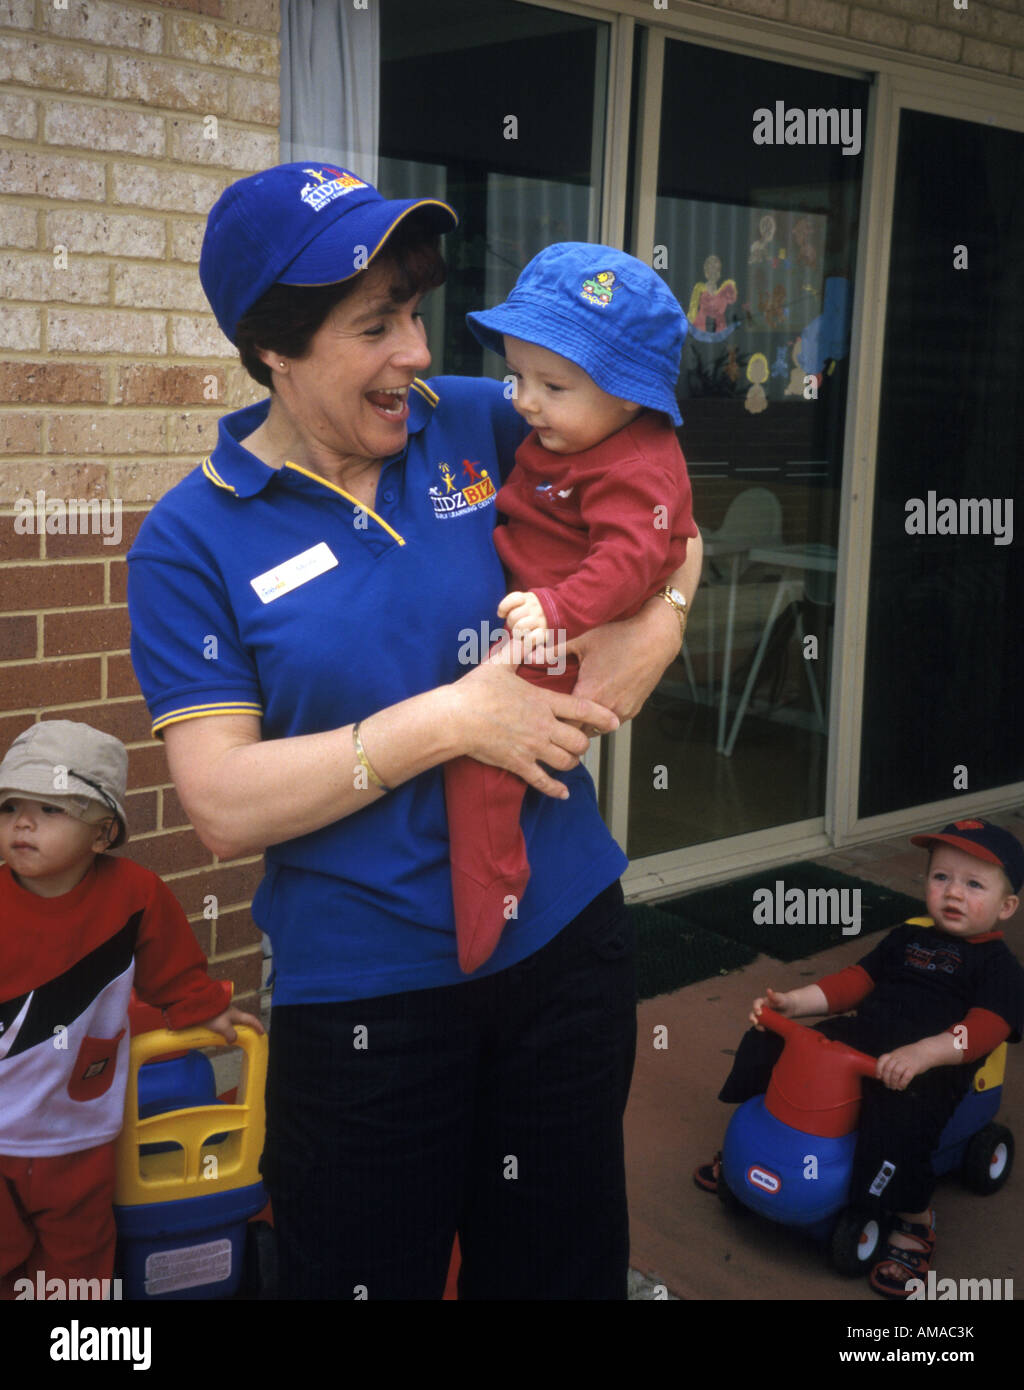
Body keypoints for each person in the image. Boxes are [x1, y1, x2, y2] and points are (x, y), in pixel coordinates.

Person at [125, 163, 703, 1301]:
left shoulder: (486, 423)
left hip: (564, 943)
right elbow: (224, 804)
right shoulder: (189, 541)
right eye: (375, 325)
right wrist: (452, 721)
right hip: (368, 999)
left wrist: (662, 626)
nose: (422, 353)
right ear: (273, 348)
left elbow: (663, 516)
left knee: (558, 1270)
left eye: (418, 313)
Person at [445, 243, 697, 974]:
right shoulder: (577, 429)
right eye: (517, 375)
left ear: (630, 396)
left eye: (552, 385)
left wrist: (559, 609)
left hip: (566, 637)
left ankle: (494, 884)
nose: (524, 402)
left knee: (480, 765)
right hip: (545, 620)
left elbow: (637, 559)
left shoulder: (635, 462)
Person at [694, 818, 1024, 1298]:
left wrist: (923, 1053)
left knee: (898, 1117)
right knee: (774, 1040)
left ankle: (913, 1220)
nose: (953, 893)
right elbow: (854, 982)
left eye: (974, 884)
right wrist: (794, 1003)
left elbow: (983, 1030)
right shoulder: (907, 936)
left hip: (927, 1067)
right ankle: (767, 1144)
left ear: (1007, 905)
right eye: (941, 877)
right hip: (861, 1037)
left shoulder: (1000, 968)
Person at [0, 720, 261, 1299]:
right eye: (10, 805)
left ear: (102, 833)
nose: (21, 822)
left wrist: (203, 1010)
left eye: (49, 808)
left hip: (78, 1130)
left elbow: (173, 966)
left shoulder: (134, 894)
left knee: (77, 1261)